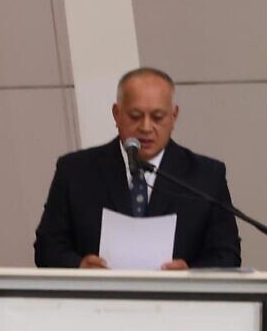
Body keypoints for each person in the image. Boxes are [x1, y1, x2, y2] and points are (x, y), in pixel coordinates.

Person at [34, 67, 241, 269]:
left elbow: (227, 255)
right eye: (135, 116)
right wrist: (80, 266)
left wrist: (188, 275)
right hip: (98, 292)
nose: (146, 127)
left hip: (177, 293)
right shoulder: (75, 171)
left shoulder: (206, 177)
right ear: (116, 114)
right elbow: (47, 247)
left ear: (174, 116)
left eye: (157, 117)